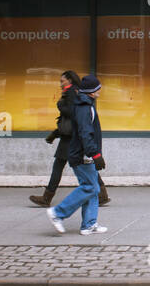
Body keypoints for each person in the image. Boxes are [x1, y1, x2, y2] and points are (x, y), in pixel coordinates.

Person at [29, 70, 110, 208]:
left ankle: (49, 200)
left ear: (70, 81)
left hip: (71, 137)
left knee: (61, 166)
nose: (60, 84)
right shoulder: (72, 92)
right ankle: (102, 195)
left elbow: (74, 115)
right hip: (69, 135)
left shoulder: (73, 92)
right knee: (82, 167)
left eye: (62, 81)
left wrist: (60, 107)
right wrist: (56, 133)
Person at [45, 74, 108, 235]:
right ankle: (58, 213)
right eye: (98, 87)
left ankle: (89, 224)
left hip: (85, 155)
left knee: (93, 188)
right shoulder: (84, 108)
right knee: (89, 187)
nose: (100, 89)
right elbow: (85, 133)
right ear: (92, 91)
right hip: (82, 156)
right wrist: (95, 155)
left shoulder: (86, 105)